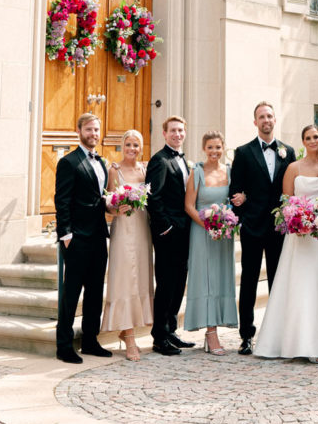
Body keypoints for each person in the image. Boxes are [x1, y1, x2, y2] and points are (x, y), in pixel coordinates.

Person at [255, 124, 318, 361]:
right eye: (308, 138)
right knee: (301, 284)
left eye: (316, 136)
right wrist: (296, 220)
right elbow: (286, 202)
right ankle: (300, 342)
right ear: (303, 142)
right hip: (300, 235)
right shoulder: (293, 167)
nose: (313, 140)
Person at [230, 101, 295, 354]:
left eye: (269, 116)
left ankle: (277, 332)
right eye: (261, 117)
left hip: (279, 229)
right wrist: (242, 213)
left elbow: (290, 188)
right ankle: (246, 335)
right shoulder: (244, 152)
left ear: (275, 120)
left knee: (278, 281)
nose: (266, 120)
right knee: (248, 281)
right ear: (255, 122)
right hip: (253, 227)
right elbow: (235, 190)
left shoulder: (288, 152)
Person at [55, 113, 111, 363]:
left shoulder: (102, 162)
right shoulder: (69, 162)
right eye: (89, 129)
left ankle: (90, 340)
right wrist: (65, 234)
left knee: (95, 292)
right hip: (76, 238)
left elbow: (98, 197)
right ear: (79, 131)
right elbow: (62, 200)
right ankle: (64, 346)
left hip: (99, 236)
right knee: (71, 294)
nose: (94, 134)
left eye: (97, 130)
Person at [100, 129, 154, 362]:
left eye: (136, 145)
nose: (132, 148)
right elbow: (108, 202)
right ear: (122, 146)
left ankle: (128, 330)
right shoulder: (114, 170)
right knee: (124, 277)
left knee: (140, 276)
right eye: (129, 144)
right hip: (123, 228)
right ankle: (129, 336)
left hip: (142, 229)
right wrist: (115, 208)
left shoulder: (144, 169)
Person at [184, 131, 238, 354]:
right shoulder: (196, 172)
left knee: (221, 278)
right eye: (210, 148)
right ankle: (210, 332)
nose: (214, 152)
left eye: (218, 147)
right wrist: (209, 226)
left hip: (223, 235)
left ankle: (216, 325)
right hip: (202, 232)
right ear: (203, 149)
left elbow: (234, 200)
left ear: (223, 147)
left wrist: (226, 221)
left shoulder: (230, 171)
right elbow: (189, 205)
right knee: (206, 279)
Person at [145, 116, 194, 355]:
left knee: (178, 283)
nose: (177, 134)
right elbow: (153, 197)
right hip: (168, 234)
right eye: (173, 130)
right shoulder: (159, 160)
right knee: (165, 284)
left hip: (185, 232)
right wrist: (166, 227)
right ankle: (159, 337)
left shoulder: (185, 161)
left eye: (181, 130)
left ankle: (171, 330)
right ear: (164, 133)